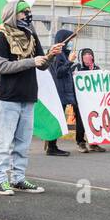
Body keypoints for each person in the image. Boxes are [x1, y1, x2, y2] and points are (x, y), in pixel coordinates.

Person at [0, 0, 63, 195]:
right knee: (4, 141)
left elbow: (42, 65)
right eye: (23, 12)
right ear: (12, 14)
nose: (28, 15)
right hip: (7, 97)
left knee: (23, 142)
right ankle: (1, 180)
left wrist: (51, 55)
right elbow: (1, 67)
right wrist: (31, 61)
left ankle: (18, 178)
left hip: (28, 96)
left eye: (29, 12)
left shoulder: (31, 36)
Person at [66, 45, 105, 153]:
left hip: (94, 101)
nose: (88, 59)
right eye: (85, 57)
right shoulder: (76, 68)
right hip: (79, 101)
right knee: (81, 122)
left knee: (95, 121)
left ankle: (94, 143)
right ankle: (81, 143)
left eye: (90, 57)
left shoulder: (97, 69)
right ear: (81, 58)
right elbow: (70, 83)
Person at [43, 28, 75, 156]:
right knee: (57, 120)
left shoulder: (63, 54)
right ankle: (52, 146)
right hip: (58, 92)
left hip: (62, 92)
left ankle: (52, 145)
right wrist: (70, 62)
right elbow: (59, 72)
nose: (71, 43)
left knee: (58, 119)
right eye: (70, 40)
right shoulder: (58, 54)